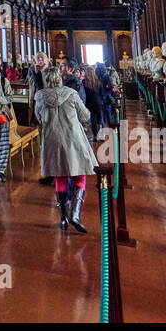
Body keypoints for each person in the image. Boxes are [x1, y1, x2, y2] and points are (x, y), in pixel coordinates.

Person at [34, 64, 96, 232]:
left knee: (60, 177)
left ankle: (63, 218)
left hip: (52, 141)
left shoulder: (39, 97)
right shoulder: (71, 94)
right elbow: (85, 115)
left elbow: (39, 118)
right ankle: (75, 214)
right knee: (79, 175)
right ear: (59, 78)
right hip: (73, 139)